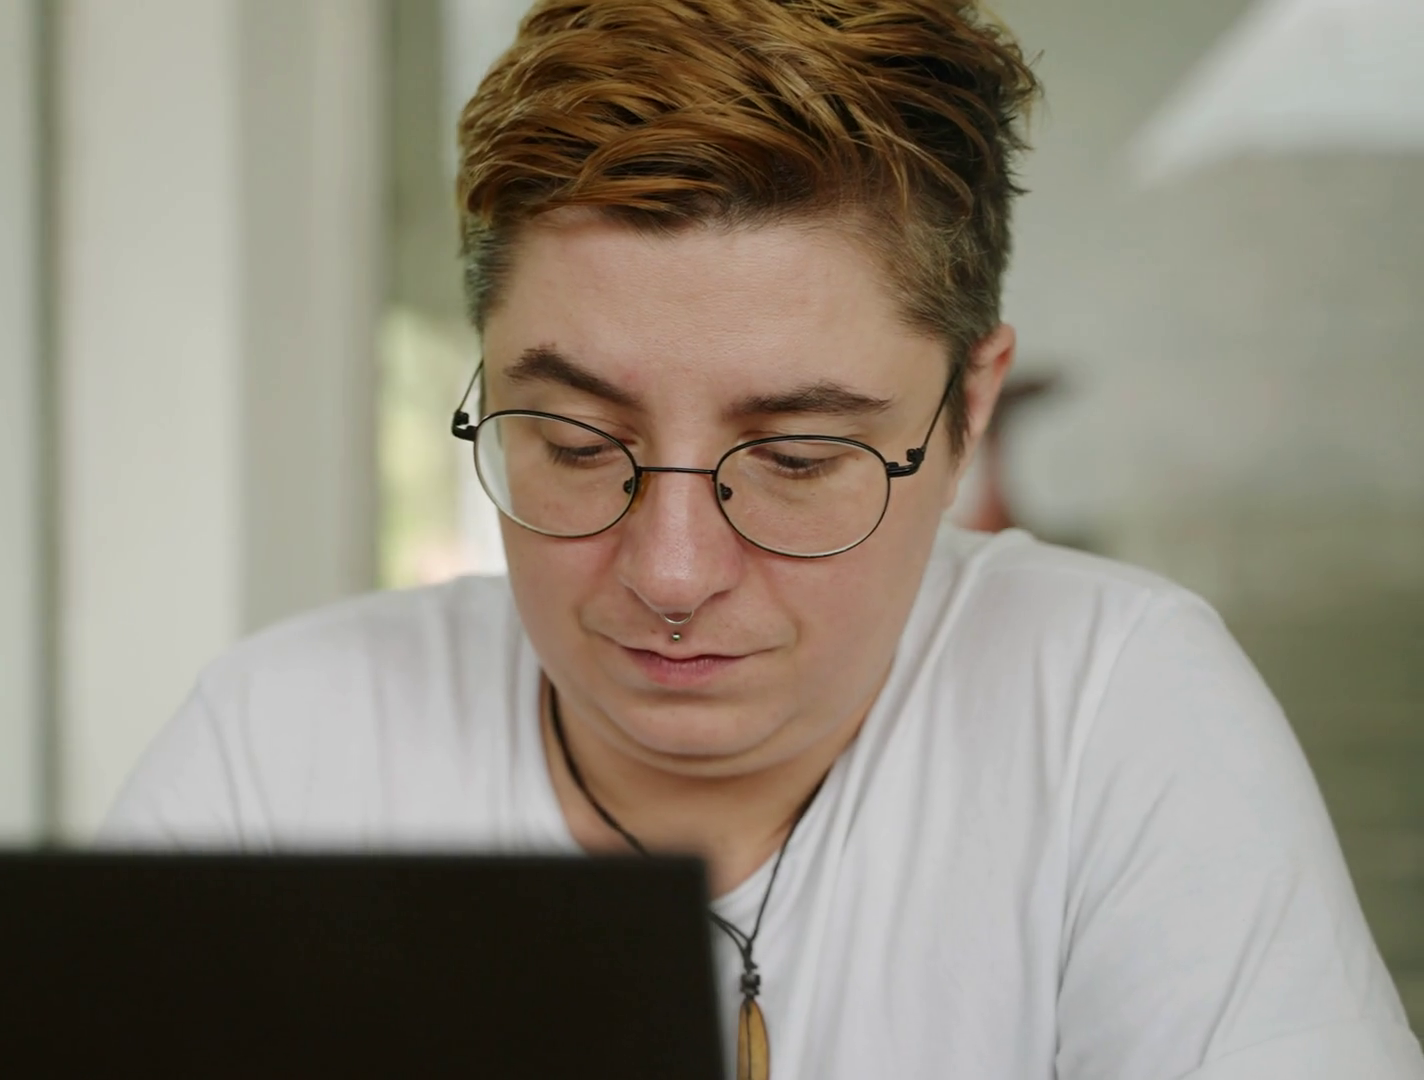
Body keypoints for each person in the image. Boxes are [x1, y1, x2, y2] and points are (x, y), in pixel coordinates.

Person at [101, 2, 1424, 1077]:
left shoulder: (1109, 709)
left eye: (797, 461)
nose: (672, 572)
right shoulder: (283, 751)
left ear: (967, 410)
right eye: (574, 443)